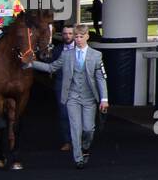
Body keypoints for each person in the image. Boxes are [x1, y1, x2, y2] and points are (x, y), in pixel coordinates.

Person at [27, 23, 108, 168]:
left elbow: (101, 78)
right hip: (72, 96)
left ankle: (85, 147)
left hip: (89, 97)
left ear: (87, 37)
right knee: (75, 128)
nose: (78, 39)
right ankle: (78, 159)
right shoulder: (66, 54)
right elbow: (51, 67)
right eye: (76, 36)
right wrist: (32, 64)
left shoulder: (96, 55)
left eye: (81, 36)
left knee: (88, 129)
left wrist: (104, 99)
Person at [51, 23, 76, 151]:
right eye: (65, 34)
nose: (67, 36)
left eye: (70, 33)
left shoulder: (82, 48)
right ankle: (67, 141)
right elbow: (50, 66)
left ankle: (79, 141)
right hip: (62, 85)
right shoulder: (56, 50)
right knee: (64, 114)